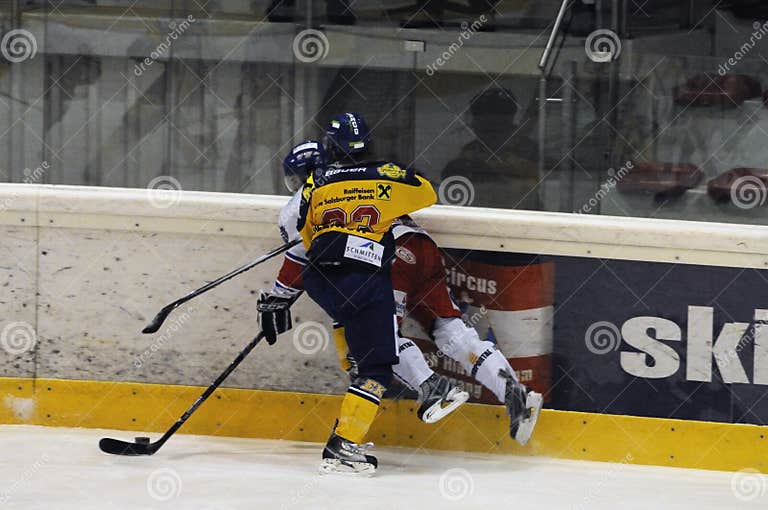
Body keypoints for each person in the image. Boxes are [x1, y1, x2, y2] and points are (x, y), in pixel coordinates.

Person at [323, 112, 543, 444]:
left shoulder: (326, 182)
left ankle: (434, 387)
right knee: (453, 333)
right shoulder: (383, 170)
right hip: (421, 245)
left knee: (381, 338)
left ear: (330, 146)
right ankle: (515, 393)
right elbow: (424, 189)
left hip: (387, 255)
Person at [257, 131, 448, 476]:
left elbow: (303, 254)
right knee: (376, 370)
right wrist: (398, 174)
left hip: (323, 282)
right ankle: (343, 447)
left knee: (358, 344)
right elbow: (425, 191)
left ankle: (354, 408)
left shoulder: (313, 191)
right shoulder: (376, 179)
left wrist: (279, 297)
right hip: (364, 279)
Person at [441, 87, 540, 209]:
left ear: (510, 123)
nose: (491, 135)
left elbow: (534, 184)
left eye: (497, 128)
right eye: (484, 129)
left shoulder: (528, 150)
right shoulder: (470, 151)